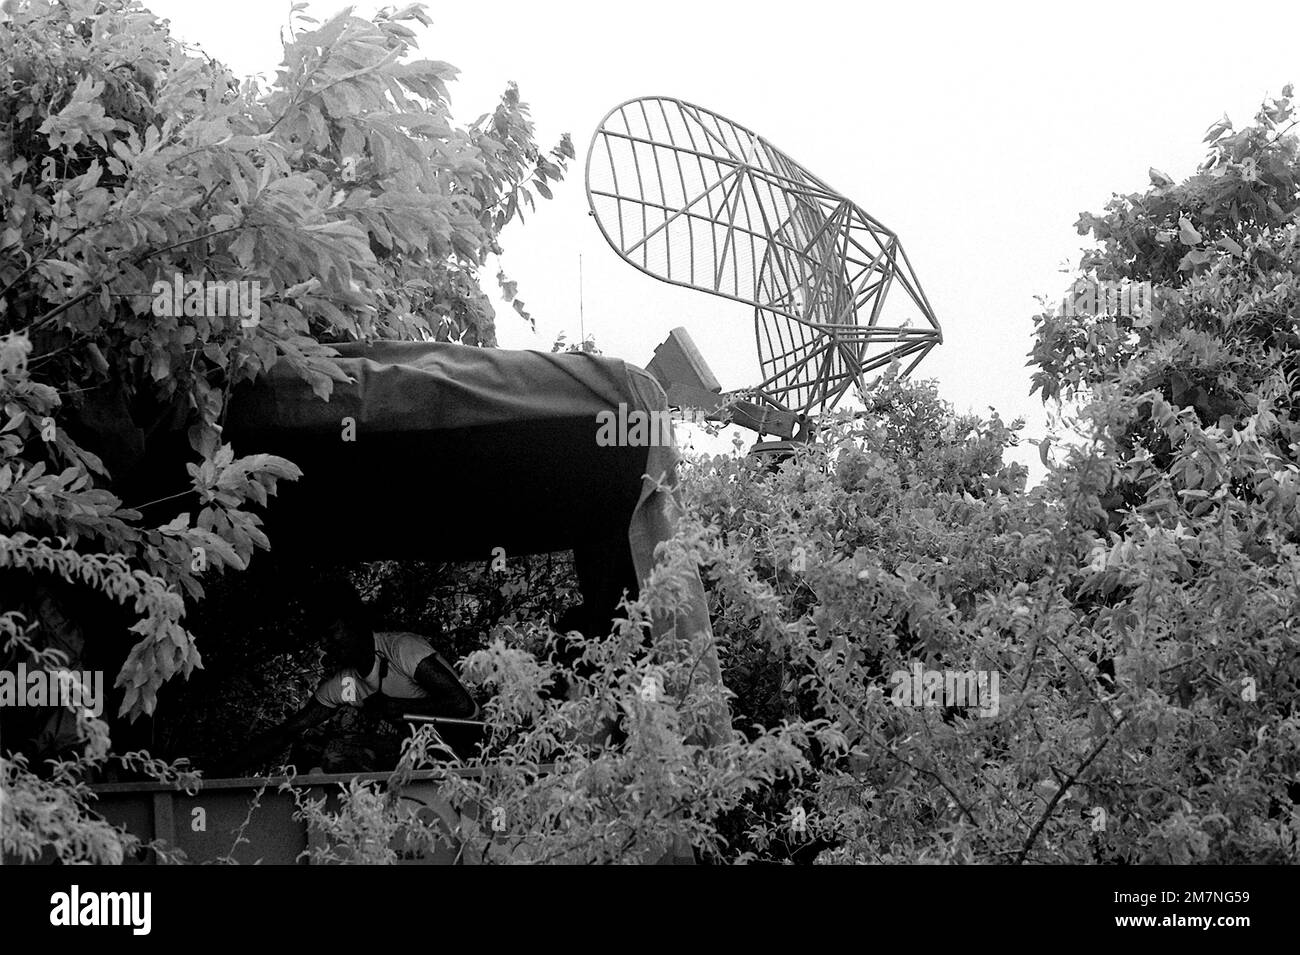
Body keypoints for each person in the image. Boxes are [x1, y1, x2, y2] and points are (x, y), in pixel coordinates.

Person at [213, 590, 479, 775]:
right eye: (322, 638)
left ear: (356, 625)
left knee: (338, 750)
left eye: (331, 634)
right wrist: (218, 772)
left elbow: (464, 706)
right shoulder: (345, 683)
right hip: (413, 754)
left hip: (462, 748)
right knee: (313, 746)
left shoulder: (402, 649)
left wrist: (398, 707)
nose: (325, 645)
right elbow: (289, 730)